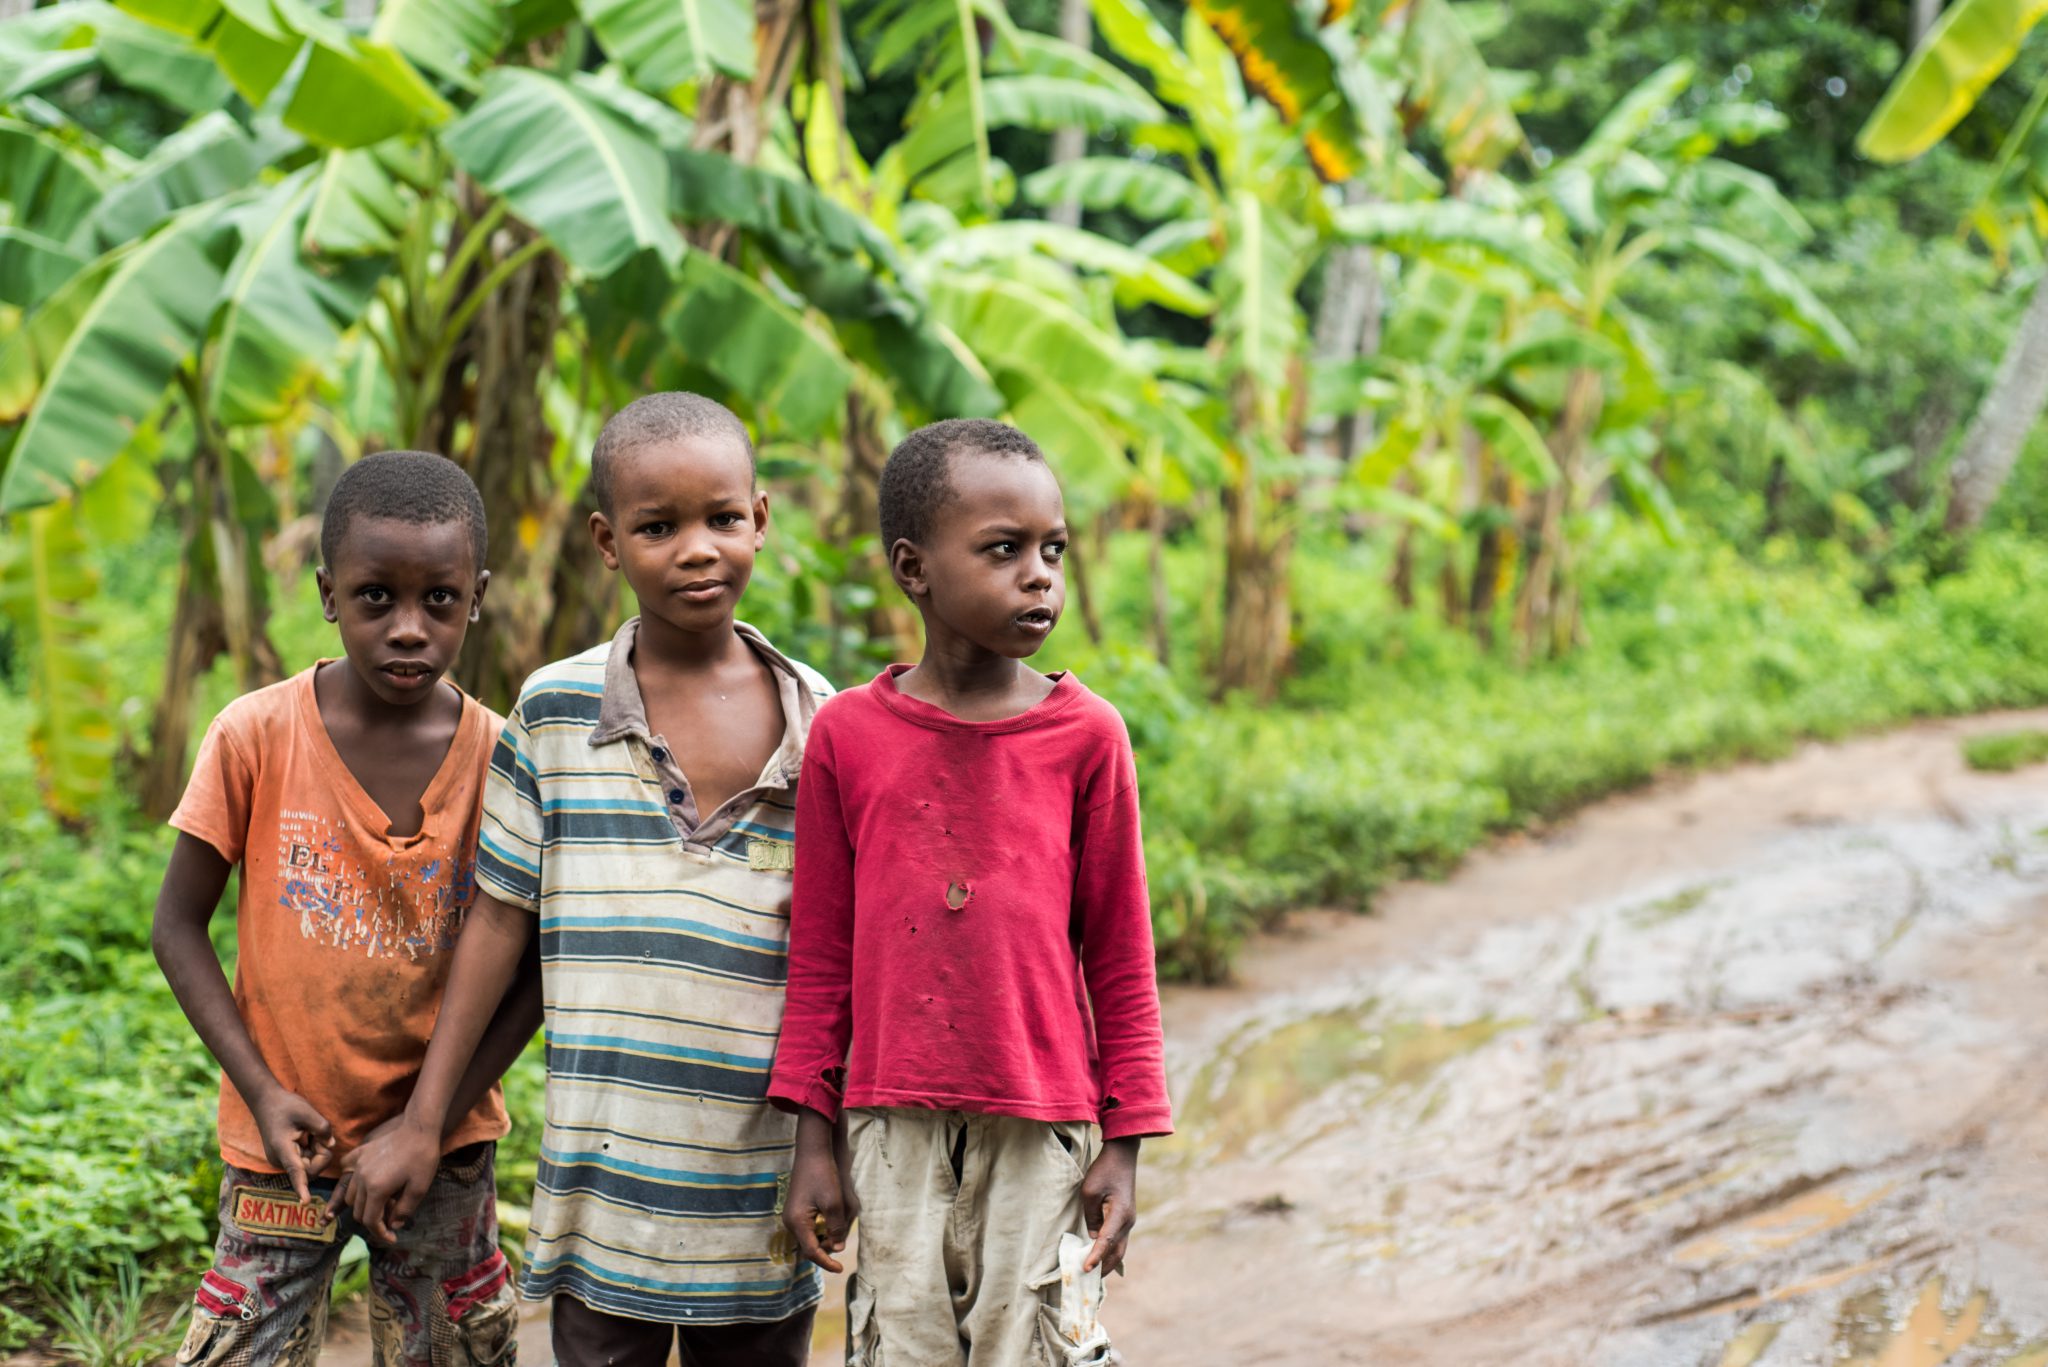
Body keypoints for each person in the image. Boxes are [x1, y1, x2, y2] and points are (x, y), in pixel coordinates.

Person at [345, 393, 833, 1367]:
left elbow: (835, 962)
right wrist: (424, 1119)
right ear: (609, 540)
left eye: (721, 519)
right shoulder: (556, 711)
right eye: (659, 526)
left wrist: (828, 1144)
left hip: (758, 1189)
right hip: (602, 1191)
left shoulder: (822, 722)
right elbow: (496, 925)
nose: (696, 547)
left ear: (760, 521)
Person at [770, 418, 1173, 1367]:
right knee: (898, 1347)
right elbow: (822, 953)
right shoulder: (847, 736)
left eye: (1054, 550)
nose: (1040, 575)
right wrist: (813, 1140)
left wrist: (1127, 1139)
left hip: (1043, 1125)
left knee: (1029, 1346)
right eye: (1004, 550)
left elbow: (1119, 951)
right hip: (887, 1120)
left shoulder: (1088, 736)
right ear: (914, 568)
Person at [152, 451, 530, 1367]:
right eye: (375, 598)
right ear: (327, 593)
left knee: (451, 1350)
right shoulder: (255, 735)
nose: (408, 629)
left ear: (476, 596)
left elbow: (533, 963)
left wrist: (426, 1124)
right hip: (285, 1148)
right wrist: (263, 1091)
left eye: (439, 600)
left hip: (443, 1154)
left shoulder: (501, 757)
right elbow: (176, 926)